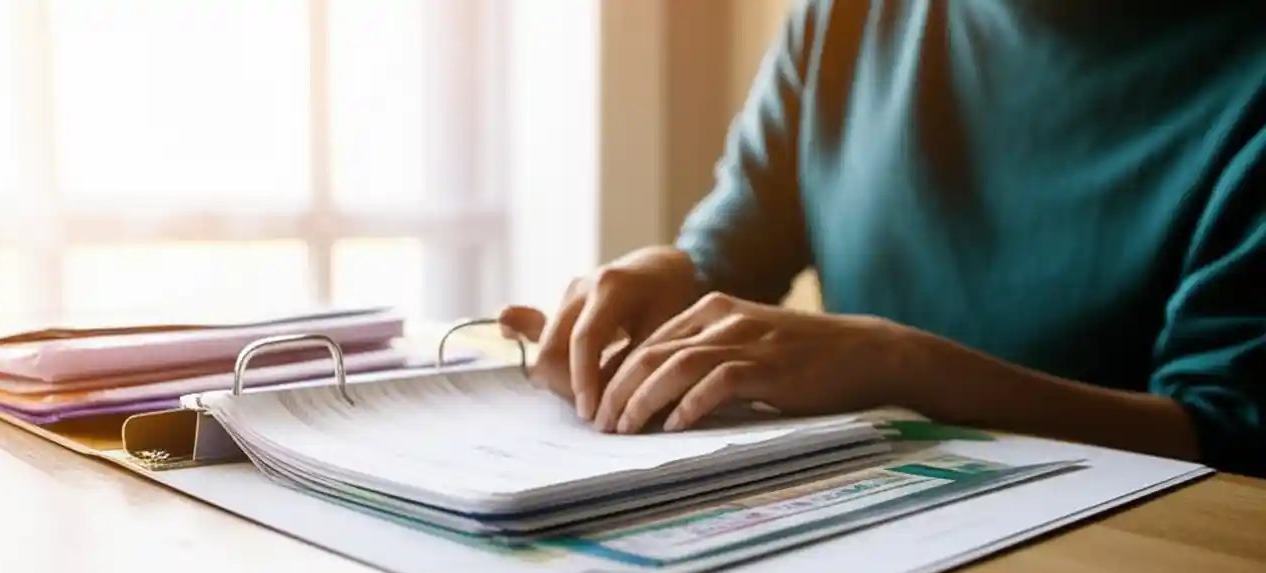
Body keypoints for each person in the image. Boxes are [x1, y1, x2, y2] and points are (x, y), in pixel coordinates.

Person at [499, 0, 1266, 477]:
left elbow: (1227, 439)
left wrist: (901, 365)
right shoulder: (847, 16)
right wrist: (664, 274)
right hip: (866, 549)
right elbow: (728, 253)